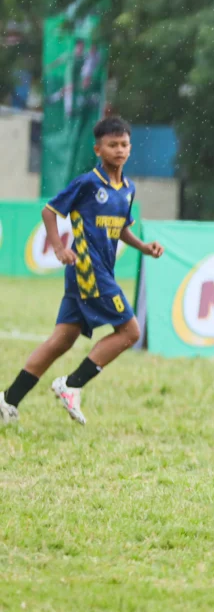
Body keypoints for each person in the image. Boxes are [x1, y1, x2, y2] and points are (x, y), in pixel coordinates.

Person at [0, 117, 164, 427]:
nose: (119, 150)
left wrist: (143, 246)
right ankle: (72, 384)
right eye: (112, 145)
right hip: (88, 270)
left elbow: (121, 228)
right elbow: (49, 211)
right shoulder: (88, 183)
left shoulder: (128, 188)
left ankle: (8, 399)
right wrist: (60, 248)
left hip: (99, 271)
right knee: (130, 332)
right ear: (98, 149)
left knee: (62, 340)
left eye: (124, 144)